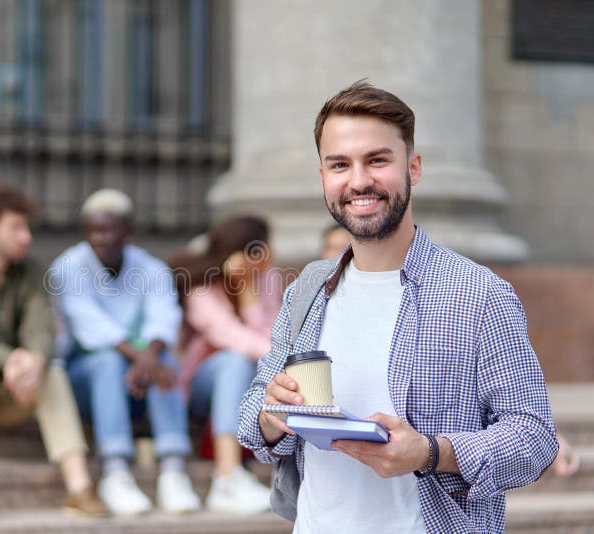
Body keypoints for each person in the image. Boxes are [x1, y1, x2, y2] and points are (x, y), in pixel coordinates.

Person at [237, 81, 558, 533]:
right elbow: (253, 417)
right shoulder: (306, 288)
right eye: (340, 165)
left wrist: (431, 453)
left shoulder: (479, 294)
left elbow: (534, 439)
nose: (359, 180)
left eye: (378, 160)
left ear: (414, 167)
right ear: (323, 176)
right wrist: (273, 415)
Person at [0, 184, 107, 522]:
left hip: (16, 390)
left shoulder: (31, 272)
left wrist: (35, 360)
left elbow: (43, 329)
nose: (26, 237)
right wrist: (8, 358)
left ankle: (79, 485)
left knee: (52, 370)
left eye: (26, 227)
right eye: (16, 227)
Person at [47, 189, 201, 516]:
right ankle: (115, 470)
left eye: (107, 230)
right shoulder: (67, 267)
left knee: (167, 362)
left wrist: (150, 358)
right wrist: (144, 359)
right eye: (92, 231)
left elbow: (164, 316)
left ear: (127, 231)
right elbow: (90, 326)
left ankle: (173, 469)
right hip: (86, 378)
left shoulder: (151, 268)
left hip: (138, 378)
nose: (98, 239)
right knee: (107, 361)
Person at [168, 215, 278, 514]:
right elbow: (232, 337)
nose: (273, 253)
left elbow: (273, 336)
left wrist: (248, 293)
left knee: (246, 363)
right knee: (234, 360)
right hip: (202, 385)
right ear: (248, 250)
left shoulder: (267, 279)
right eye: (266, 246)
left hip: (256, 384)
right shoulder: (202, 287)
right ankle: (227, 478)